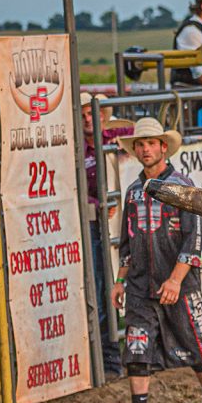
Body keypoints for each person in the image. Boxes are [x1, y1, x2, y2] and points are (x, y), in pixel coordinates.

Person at [111, 117, 202, 403]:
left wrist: (175, 279)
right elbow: (127, 240)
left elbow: (195, 238)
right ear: (135, 151)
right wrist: (120, 280)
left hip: (179, 281)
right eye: (141, 144)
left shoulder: (182, 187)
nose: (146, 149)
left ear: (163, 147)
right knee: (136, 342)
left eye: (151, 144)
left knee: (195, 339)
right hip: (139, 281)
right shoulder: (134, 192)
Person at [80, 92, 122, 377]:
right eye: (82, 114)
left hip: (119, 223)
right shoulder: (78, 149)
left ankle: (121, 354)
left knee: (115, 283)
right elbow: (74, 186)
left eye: (92, 113)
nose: (88, 119)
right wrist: (97, 205)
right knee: (101, 285)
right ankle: (108, 359)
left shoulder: (116, 136)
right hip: (95, 224)